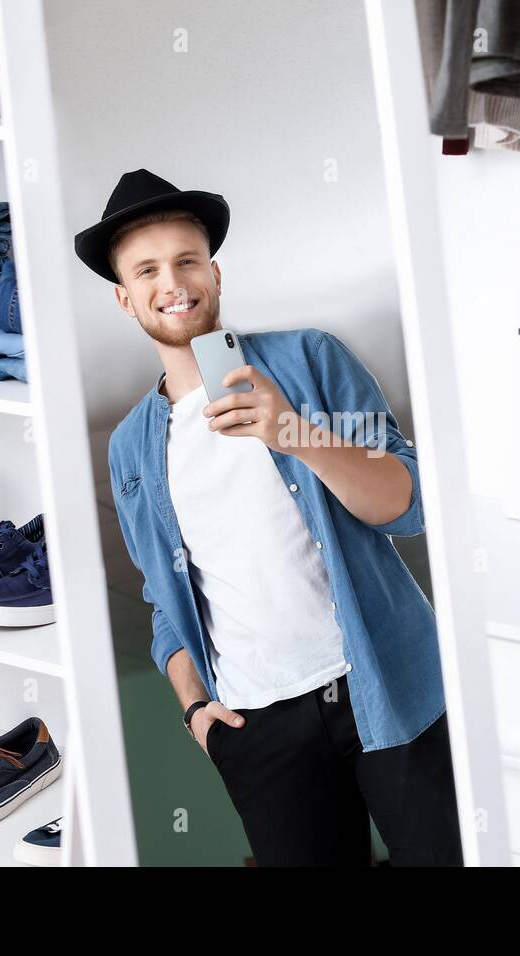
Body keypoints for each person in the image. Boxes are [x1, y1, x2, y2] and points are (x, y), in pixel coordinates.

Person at [75, 169, 462, 866]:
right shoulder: (130, 445)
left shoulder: (311, 358)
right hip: (257, 724)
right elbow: (164, 606)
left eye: (188, 260)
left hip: (389, 682)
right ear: (124, 298)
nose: (175, 282)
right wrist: (197, 710)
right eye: (149, 270)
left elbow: (408, 507)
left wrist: (295, 434)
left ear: (215, 274)